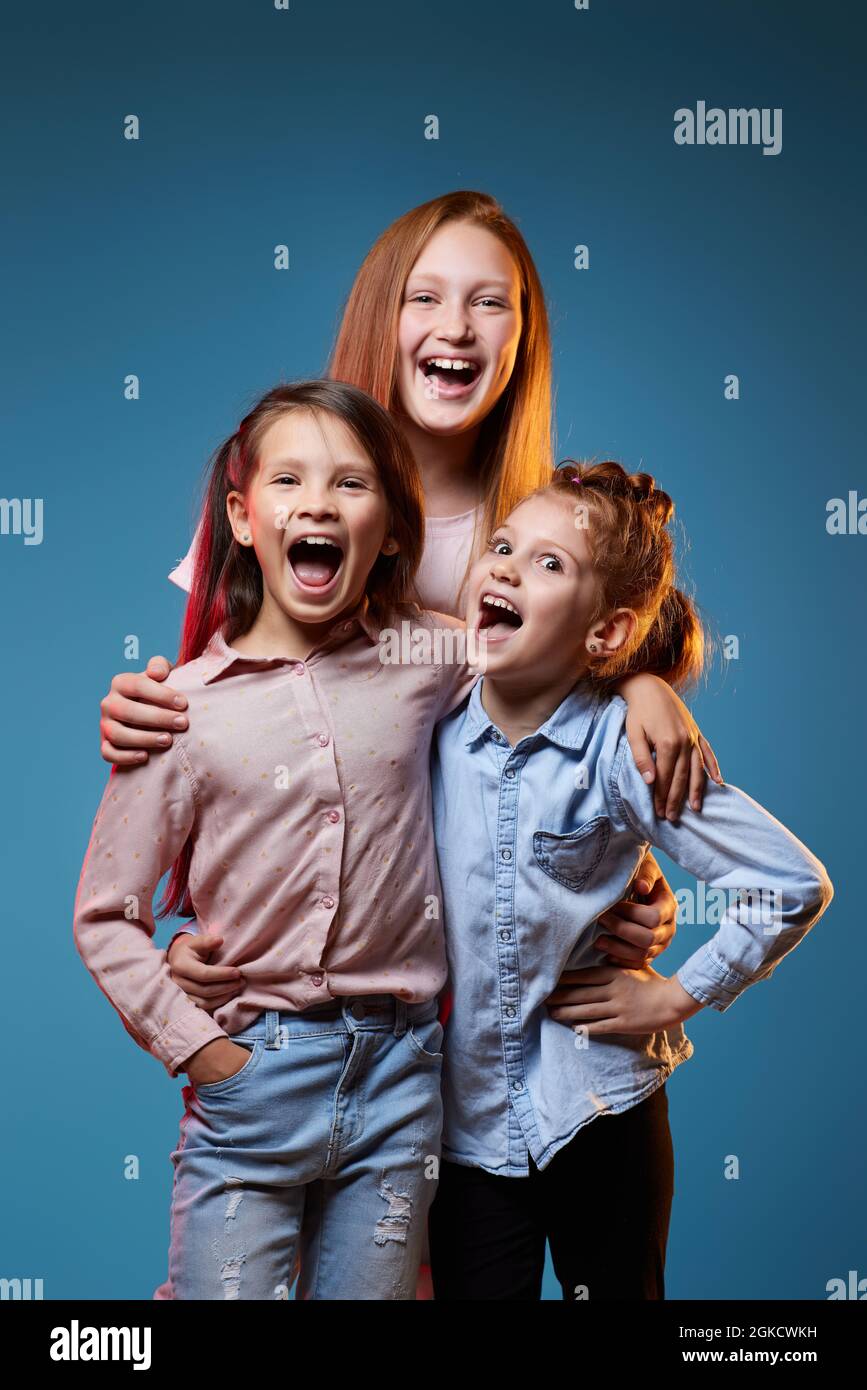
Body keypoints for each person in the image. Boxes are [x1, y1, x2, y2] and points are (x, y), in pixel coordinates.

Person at [97, 192, 722, 1022]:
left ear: (524, 340)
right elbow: (226, 735)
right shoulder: (285, 501)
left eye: (489, 302)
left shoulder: (548, 532)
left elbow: (579, 748)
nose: (456, 328)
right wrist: (200, 933)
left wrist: (639, 691)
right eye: (423, 297)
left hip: (505, 1005)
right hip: (325, 1016)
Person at [74, 380, 482, 1300]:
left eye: (351, 484)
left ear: (389, 530)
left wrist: (645, 689)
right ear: (242, 517)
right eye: (289, 479)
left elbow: (557, 666)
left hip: (402, 1086)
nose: (317, 504)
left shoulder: (435, 659)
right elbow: (106, 917)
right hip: (254, 1082)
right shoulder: (178, 711)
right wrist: (202, 1052)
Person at [424, 461, 834, 1300]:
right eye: (502, 547)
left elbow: (790, 882)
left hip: (600, 1112)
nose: (503, 567)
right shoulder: (424, 720)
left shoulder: (623, 751)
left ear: (605, 634)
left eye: (549, 564)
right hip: (461, 1133)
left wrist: (677, 995)